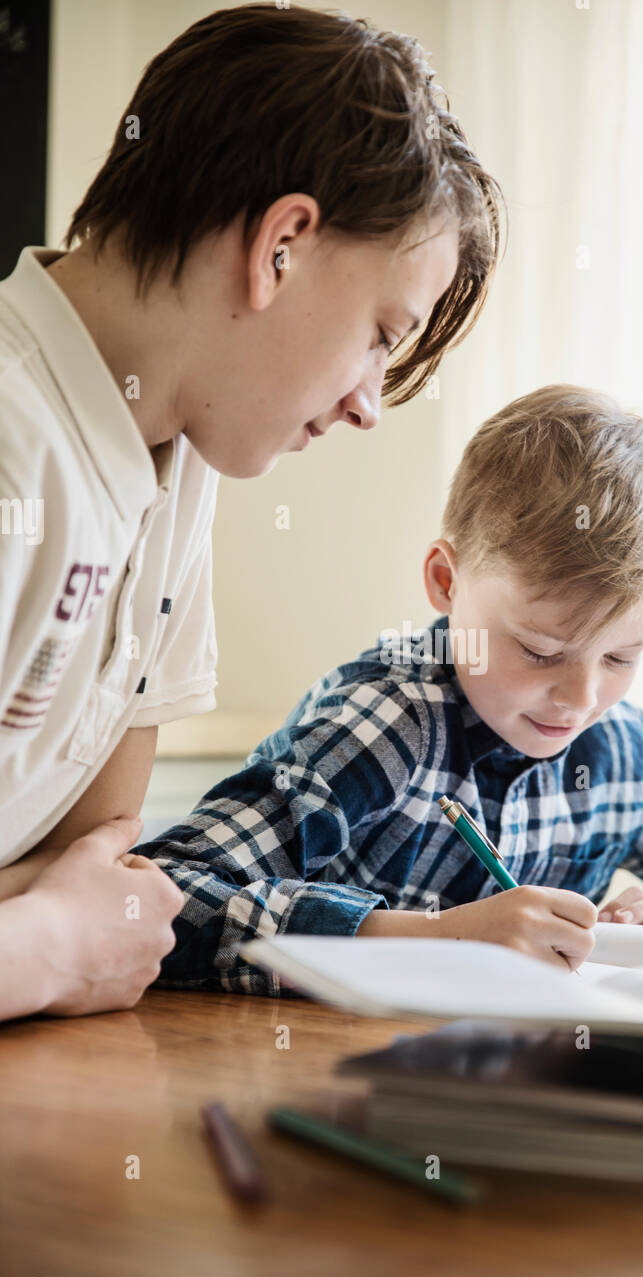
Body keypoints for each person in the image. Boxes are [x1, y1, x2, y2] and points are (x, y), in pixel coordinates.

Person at [0, 4, 503, 1020]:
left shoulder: (179, 454)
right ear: (282, 245)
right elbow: (76, 924)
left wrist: (53, 927)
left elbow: (107, 875)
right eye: (379, 332)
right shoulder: (17, 446)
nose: (369, 401)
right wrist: (43, 944)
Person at [136, 385, 643, 995]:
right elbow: (162, 897)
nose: (579, 699)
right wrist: (433, 938)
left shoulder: (620, 754)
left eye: (621, 657)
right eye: (539, 650)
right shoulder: (386, 724)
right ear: (446, 581)